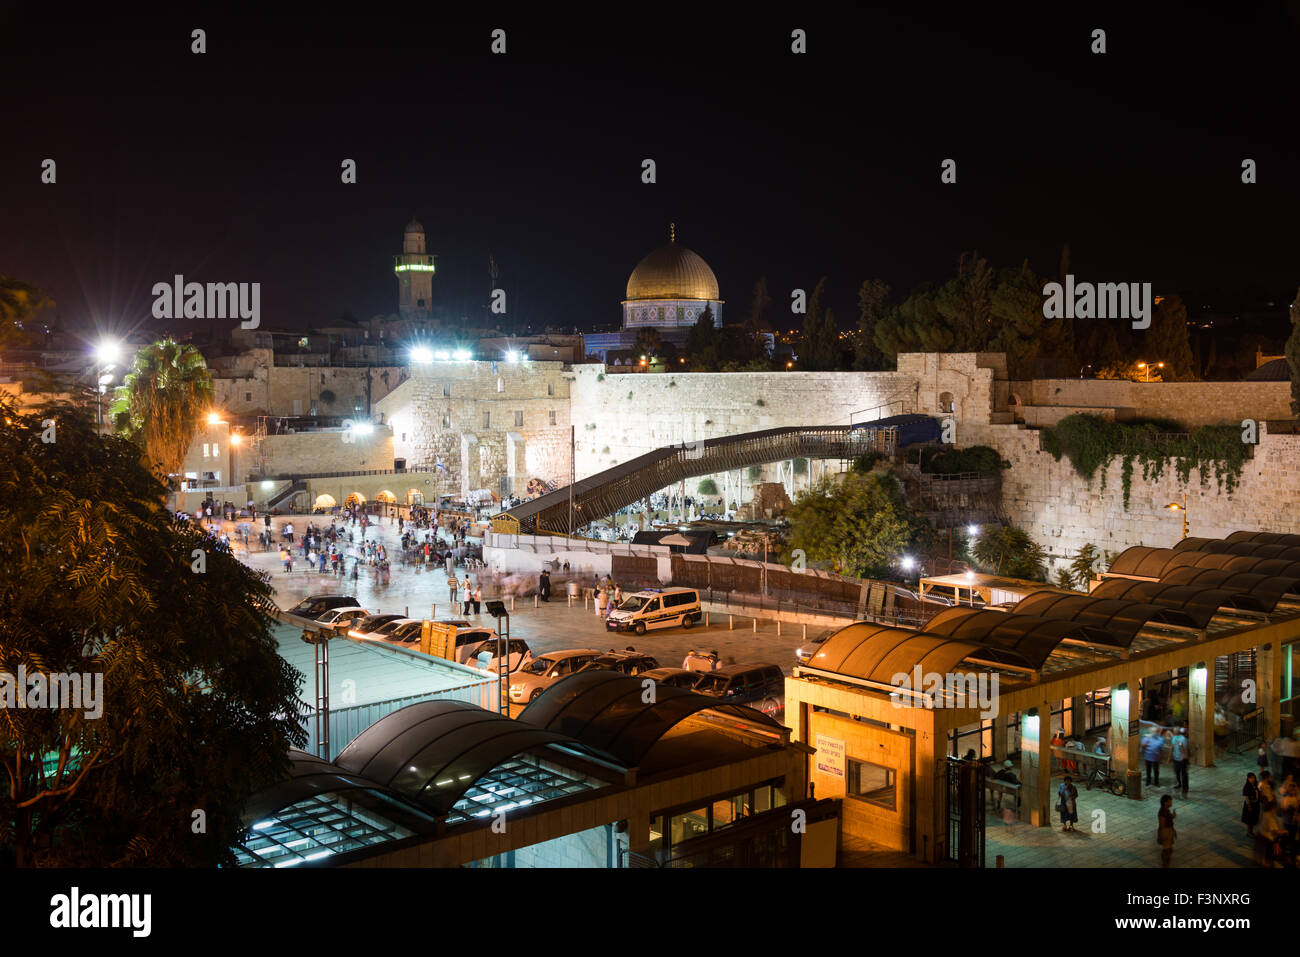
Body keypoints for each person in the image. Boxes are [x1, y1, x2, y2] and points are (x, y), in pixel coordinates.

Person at [1157, 795, 1177, 867]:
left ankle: (1166, 863)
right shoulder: (1162, 812)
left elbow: (1169, 818)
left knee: (1169, 849)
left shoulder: (1166, 810)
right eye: (1170, 802)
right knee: (1166, 850)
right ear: (1165, 803)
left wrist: (1173, 816)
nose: (1171, 803)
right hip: (1166, 832)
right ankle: (1165, 864)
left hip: (1169, 831)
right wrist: (1162, 835)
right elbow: (1162, 825)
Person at [1171, 727, 1190, 799]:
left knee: (1184, 774)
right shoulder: (1174, 738)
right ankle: (1179, 783)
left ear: (1178, 731)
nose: (1173, 732)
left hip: (1182, 759)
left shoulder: (1183, 739)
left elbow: (1185, 749)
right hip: (1176, 758)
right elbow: (1172, 747)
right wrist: (1170, 757)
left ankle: (1185, 788)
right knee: (1177, 772)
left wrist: (1185, 757)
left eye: (1174, 731)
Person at [1242, 772, 1261, 838]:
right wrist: (1249, 806)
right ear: (1248, 779)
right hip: (1250, 805)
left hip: (1256, 804)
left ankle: (1251, 831)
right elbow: (1246, 797)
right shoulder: (1247, 786)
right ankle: (1249, 832)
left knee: (1253, 819)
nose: (1252, 779)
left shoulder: (1255, 784)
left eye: (1253, 777)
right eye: (1250, 778)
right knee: (1249, 819)